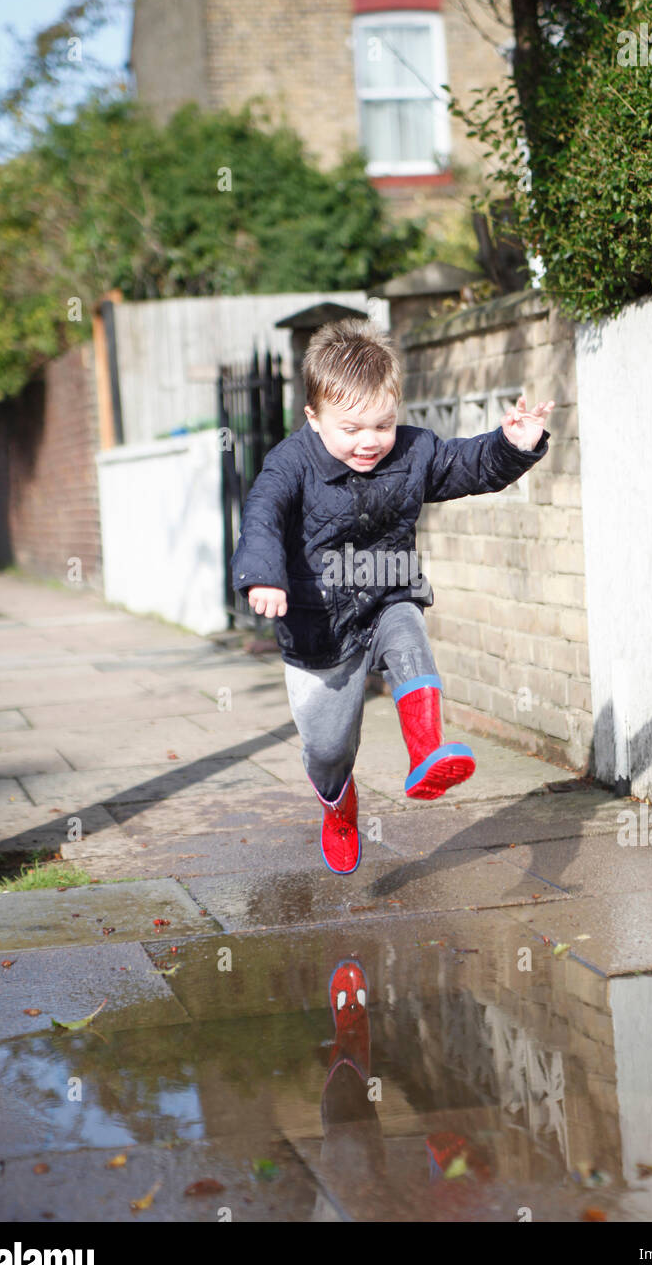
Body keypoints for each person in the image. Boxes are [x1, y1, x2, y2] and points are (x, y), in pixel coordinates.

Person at [231, 317, 553, 874]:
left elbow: (467, 464)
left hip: (387, 591)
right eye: (351, 427)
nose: (369, 441)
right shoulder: (290, 462)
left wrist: (514, 445)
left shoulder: (411, 451)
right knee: (329, 749)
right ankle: (336, 803)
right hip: (318, 626)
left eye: (382, 424)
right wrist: (263, 574)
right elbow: (262, 514)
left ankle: (428, 751)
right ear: (313, 417)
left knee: (407, 631)